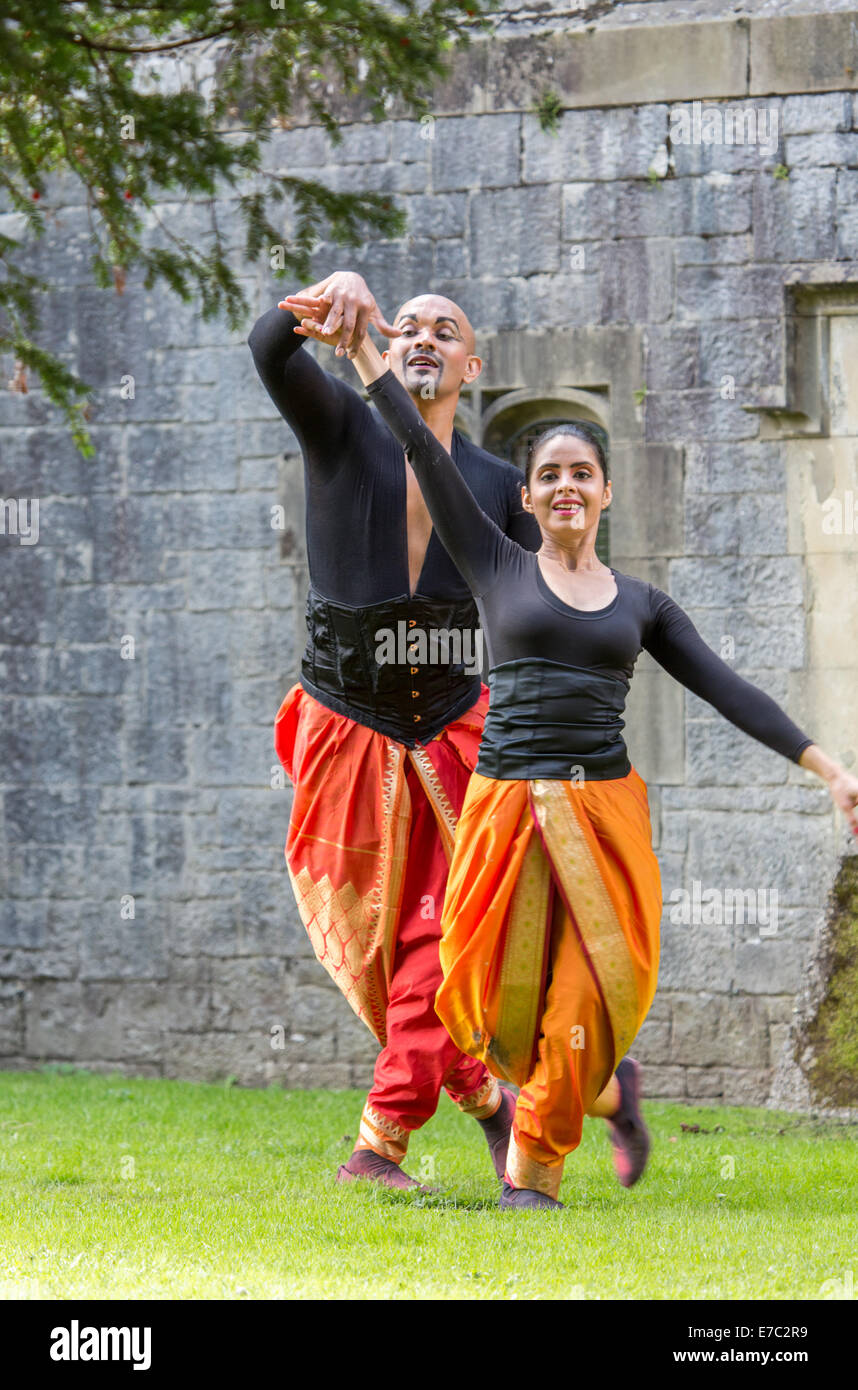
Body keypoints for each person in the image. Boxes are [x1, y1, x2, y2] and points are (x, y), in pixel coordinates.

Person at [289, 311, 858, 1210]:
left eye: (580, 475)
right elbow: (417, 443)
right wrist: (364, 350)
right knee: (479, 996)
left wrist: (829, 769)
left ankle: (533, 1175)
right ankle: (597, 1095)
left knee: (585, 992)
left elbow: (726, 688)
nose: (563, 486)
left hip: (602, 817)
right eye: (548, 473)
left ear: (604, 494)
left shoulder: (644, 606)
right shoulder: (493, 564)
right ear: (526, 496)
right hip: (501, 811)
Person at [247, 272, 542, 1189]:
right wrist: (326, 298)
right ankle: (493, 1108)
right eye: (406, 325)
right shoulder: (339, 426)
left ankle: (378, 1148)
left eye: (443, 331)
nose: (422, 337)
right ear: (383, 339)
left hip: (459, 734)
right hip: (346, 726)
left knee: (441, 934)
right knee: (386, 950)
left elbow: (533, 615)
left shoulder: (498, 484)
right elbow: (267, 345)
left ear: (471, 364)